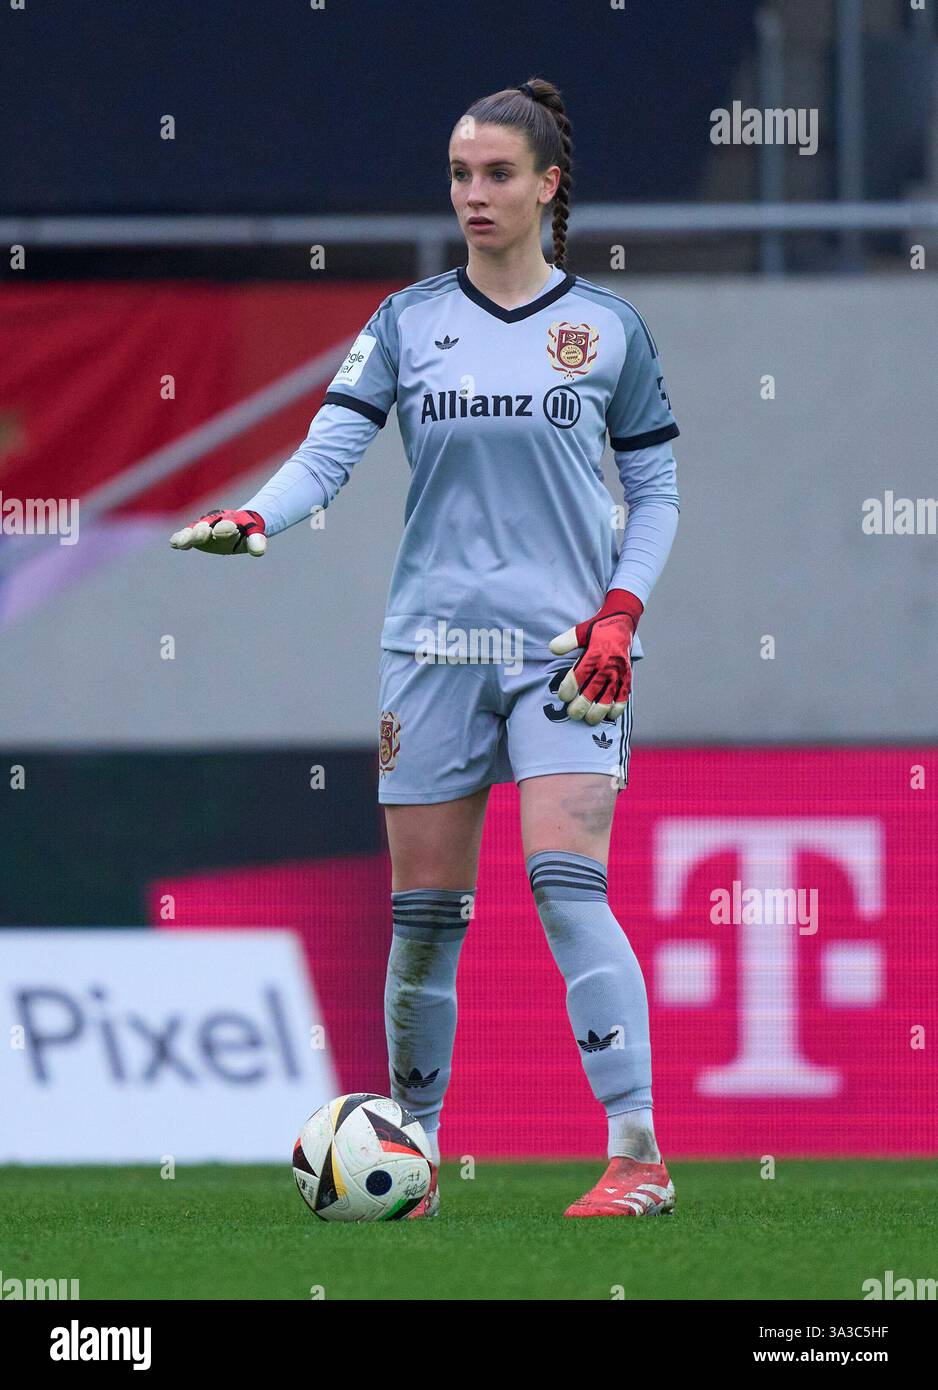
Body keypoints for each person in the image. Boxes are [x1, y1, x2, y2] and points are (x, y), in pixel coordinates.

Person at [170, 77, 681, 1220]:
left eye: (497, 173)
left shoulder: (604, 329)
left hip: (566, 653)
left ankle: (636, 1152)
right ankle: (417, 1155)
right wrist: (261, 515)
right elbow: (327, 449)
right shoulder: (406, 322)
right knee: (424, 921)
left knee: (563, 883)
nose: (473, 194)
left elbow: (653, 491)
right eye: (459, 173)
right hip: (430, 653)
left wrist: (619, 612)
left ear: (548, 184)